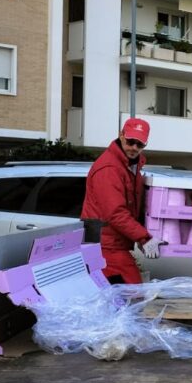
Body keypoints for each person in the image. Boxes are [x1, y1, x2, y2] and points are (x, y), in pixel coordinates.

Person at [80, 117, 161, 284]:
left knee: (122, 297)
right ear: (121, 135)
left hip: (113, 242)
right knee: (133, 293)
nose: (134, 148)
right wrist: (144, 238)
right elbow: (116, 213)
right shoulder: (110, 168)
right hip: (105, 245)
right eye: (131, 141)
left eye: (139, 144)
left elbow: (131, 206)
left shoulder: (129, 166)